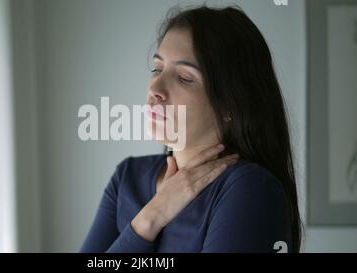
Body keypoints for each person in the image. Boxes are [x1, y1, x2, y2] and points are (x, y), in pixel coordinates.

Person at [80, 5, 302, 253]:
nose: (156, 88)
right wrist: (151, 216)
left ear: (230, 104)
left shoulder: (249, 189)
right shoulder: (127, 178)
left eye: (185, 77)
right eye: (157, 68)